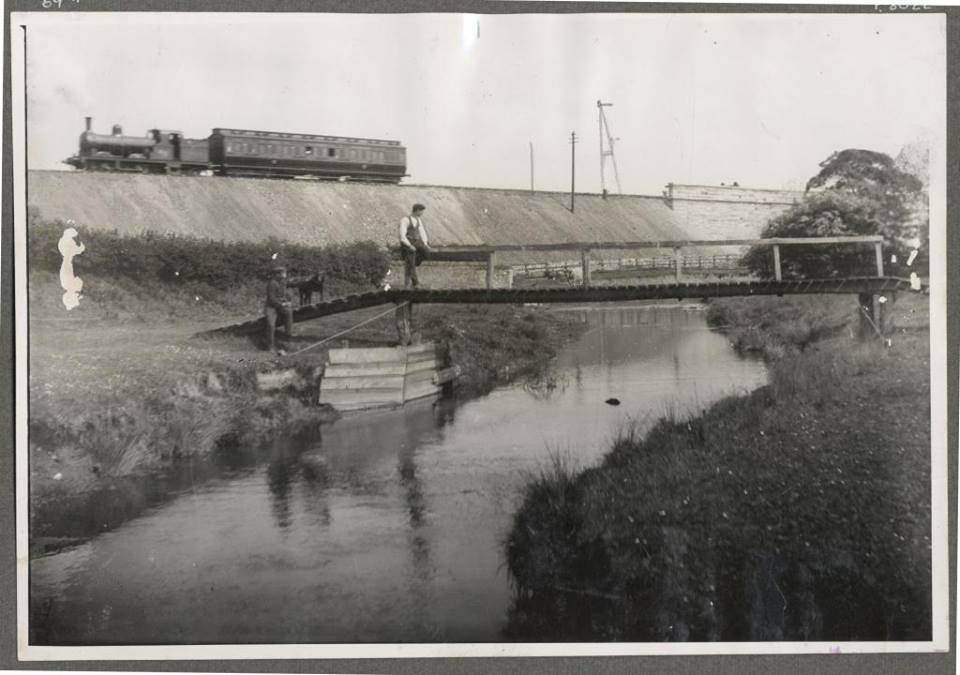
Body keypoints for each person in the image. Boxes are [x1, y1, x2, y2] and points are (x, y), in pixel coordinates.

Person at [399, 203, 432, 288]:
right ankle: (416, 283)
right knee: (411, 263)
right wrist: (409, 246)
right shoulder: (405, 220)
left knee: (427, 252)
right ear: (417, 210)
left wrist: (425, 243)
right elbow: (402, 236)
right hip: (407, 242)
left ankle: (413, 264)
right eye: (421, 211)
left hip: (417, 241)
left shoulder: (418, 220)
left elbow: (422, 231)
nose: (422, 213)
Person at [265, 265, 294, 352]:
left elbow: (283, 295)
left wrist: (288, 301)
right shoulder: (272, 283)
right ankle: (270, 346)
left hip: (280, 306)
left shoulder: (283, 282)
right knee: (271, 325)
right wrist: (282, 304)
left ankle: (287, 342)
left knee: (289, 314)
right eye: (283, 273)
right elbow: (271, 299)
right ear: (278, 274)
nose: (285, 275)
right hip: (271, 307)